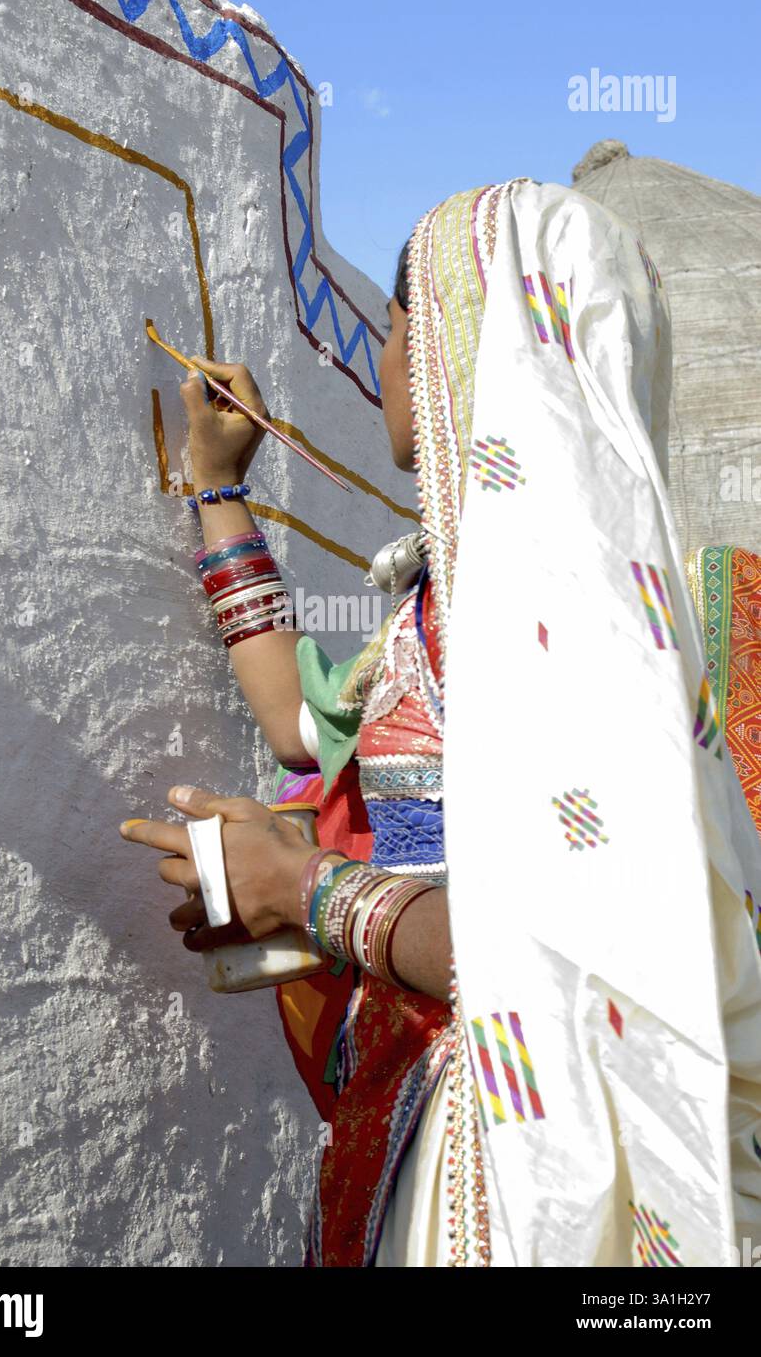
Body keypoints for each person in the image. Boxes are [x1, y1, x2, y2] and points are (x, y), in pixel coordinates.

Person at [121, 178, 761, 1267]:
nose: (381, 358)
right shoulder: (447, 604)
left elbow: (591, 948)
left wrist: (306, 888)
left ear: (465, 341)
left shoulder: (610, 621)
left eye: (396, 326)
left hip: (528, 1175)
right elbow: (299, 725)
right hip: (424, 1127)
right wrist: (217, 489)